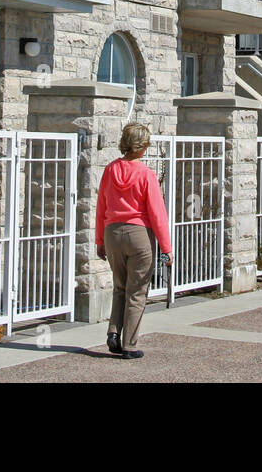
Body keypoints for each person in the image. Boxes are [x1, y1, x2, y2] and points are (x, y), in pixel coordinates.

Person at [95, 122, 172, 359]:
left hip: (112, 233)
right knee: (137, 291)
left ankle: (113, 332)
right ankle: (129, 344)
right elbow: (157, 213)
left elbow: (102, 206)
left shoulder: (110, 170)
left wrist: (99, 240)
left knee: (120, 286)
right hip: (139, 234)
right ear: (140, 146)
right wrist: (167, 247)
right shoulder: (146, 174)